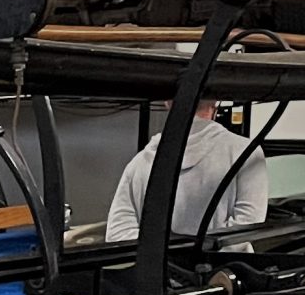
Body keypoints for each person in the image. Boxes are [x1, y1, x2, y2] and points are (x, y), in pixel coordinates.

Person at [106, 101, 267, 247]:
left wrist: (164, 257)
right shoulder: (246, 153)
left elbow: (118, 232)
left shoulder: (140, 162)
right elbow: (248, 225)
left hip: (158, 269)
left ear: (167, 104)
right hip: (225, 269)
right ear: (216, 103)